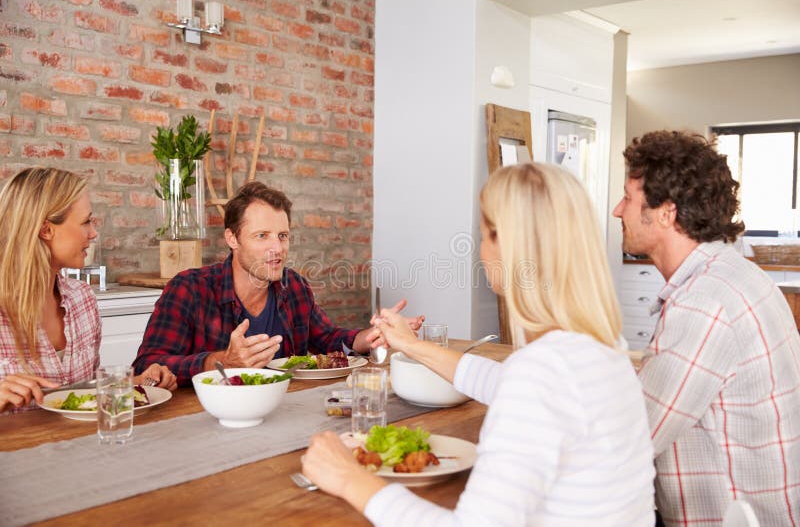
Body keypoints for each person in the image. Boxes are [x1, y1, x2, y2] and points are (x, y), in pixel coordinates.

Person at [301, 163, 656, 525]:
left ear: (508, 244)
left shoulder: (543, 372)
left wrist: (349, 478)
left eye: (484, 234)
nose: (481, 248)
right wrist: (411, 345)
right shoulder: (600, 346)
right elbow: (501, 383)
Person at [613, 130, 800, 525]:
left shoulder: (704, 303)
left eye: (629, 198)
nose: (618, 210)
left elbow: (628, 439)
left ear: (666, 211)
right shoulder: (737, 274)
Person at [133, 181, 424, 386]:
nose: (277, 248)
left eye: (282, 236)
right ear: (232, 238)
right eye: (262, 236)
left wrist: (368, 337)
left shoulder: (293, 286)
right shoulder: (189, 289)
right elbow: (148, 366)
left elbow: (328, 339)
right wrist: (221, 361)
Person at [0, 167, 176, 414]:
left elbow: (82, 394)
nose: (93, 233)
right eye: (85, 222)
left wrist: (134, 384)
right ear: (46, 229)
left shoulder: (81, 299)